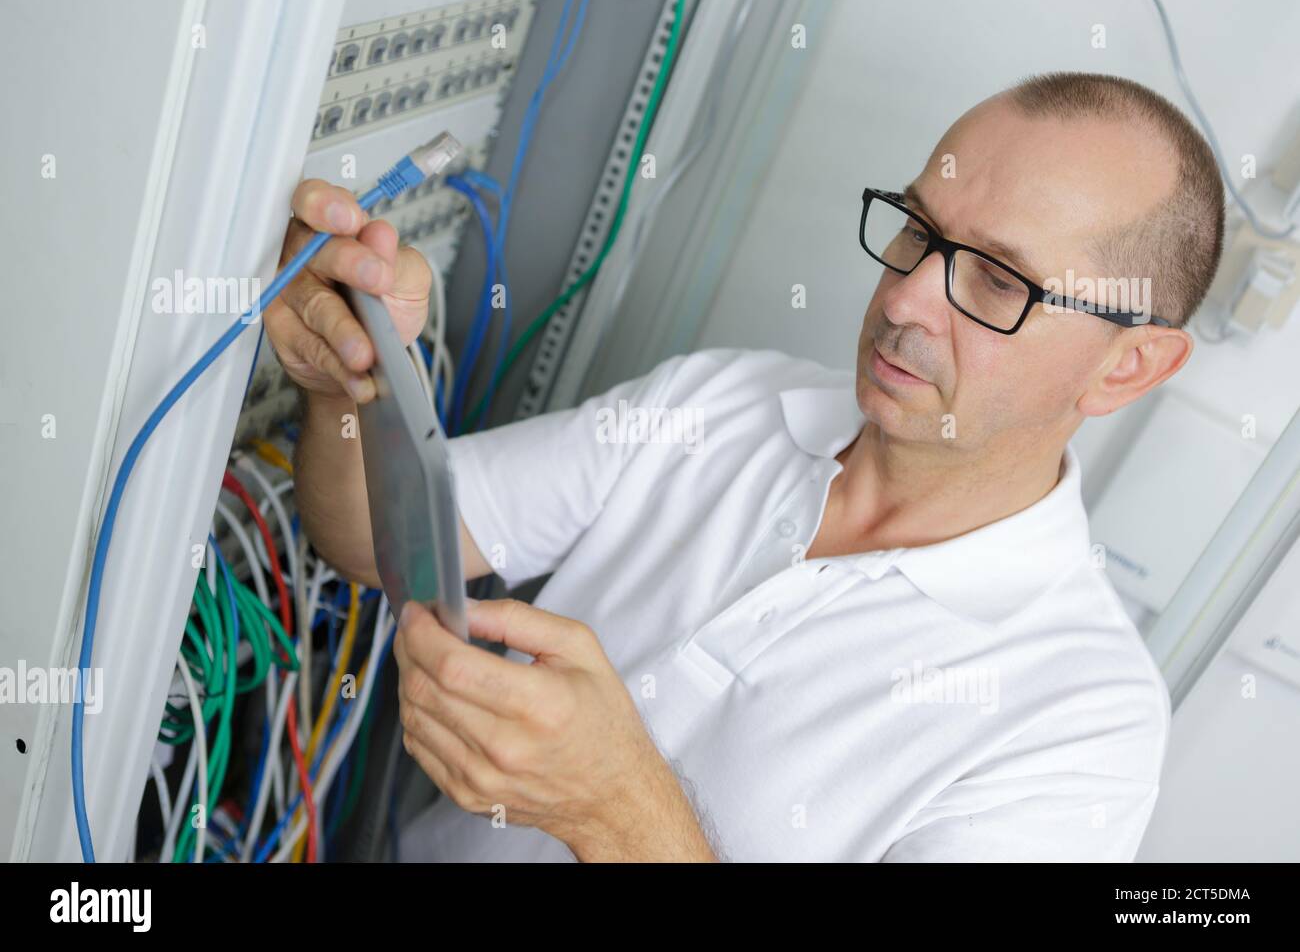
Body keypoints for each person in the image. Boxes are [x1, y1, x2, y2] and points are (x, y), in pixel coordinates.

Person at [265, 71, 1225, 861]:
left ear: (1126, 366)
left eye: (998, 280)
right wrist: (346, 386)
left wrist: (617, 813)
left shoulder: (1082, 724)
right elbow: (374, 544)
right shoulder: (723, 405)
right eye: (919, 231)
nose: (906, 301)